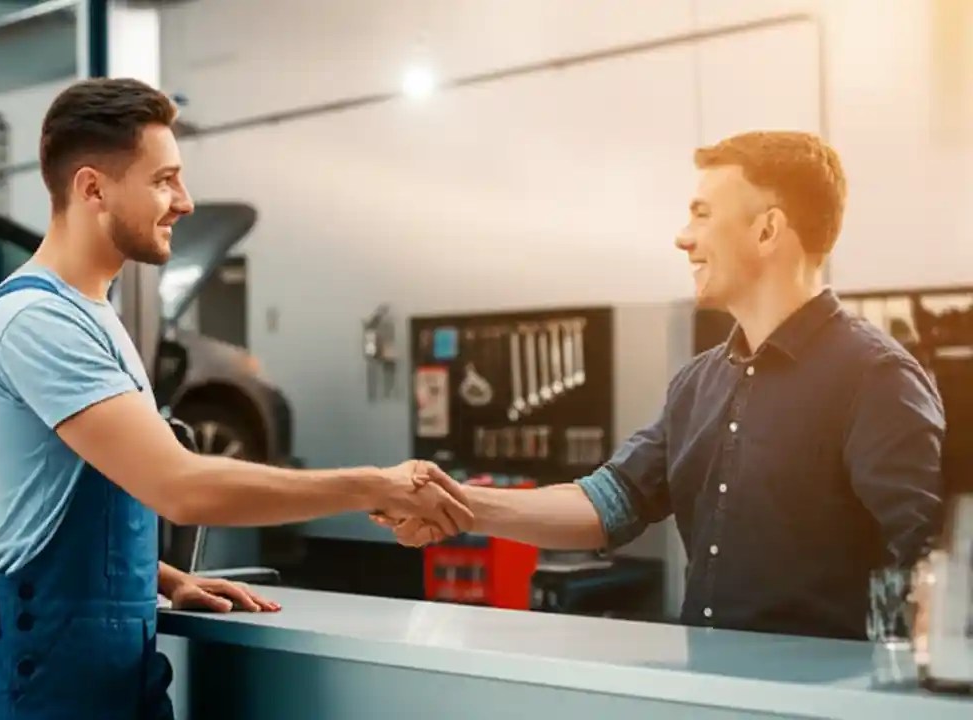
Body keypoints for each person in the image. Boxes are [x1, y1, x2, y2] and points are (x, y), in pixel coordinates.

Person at [0, 77, 473, 719]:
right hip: (46, 684)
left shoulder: (90, 313)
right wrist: (375, 486)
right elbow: (181, 487)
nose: (185, 202)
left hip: (107, 667)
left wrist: (161, 580)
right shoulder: (38, 324)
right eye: (163, 180)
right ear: (93, 188)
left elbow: (79, 492)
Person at [376, 130, 947, 640]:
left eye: (702, 214)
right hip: (703, 696)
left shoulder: (874, 378)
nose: (683, 237)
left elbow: (936, 561)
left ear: (768, 229)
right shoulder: (698, 384)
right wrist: (458, 503)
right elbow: (608, 504)